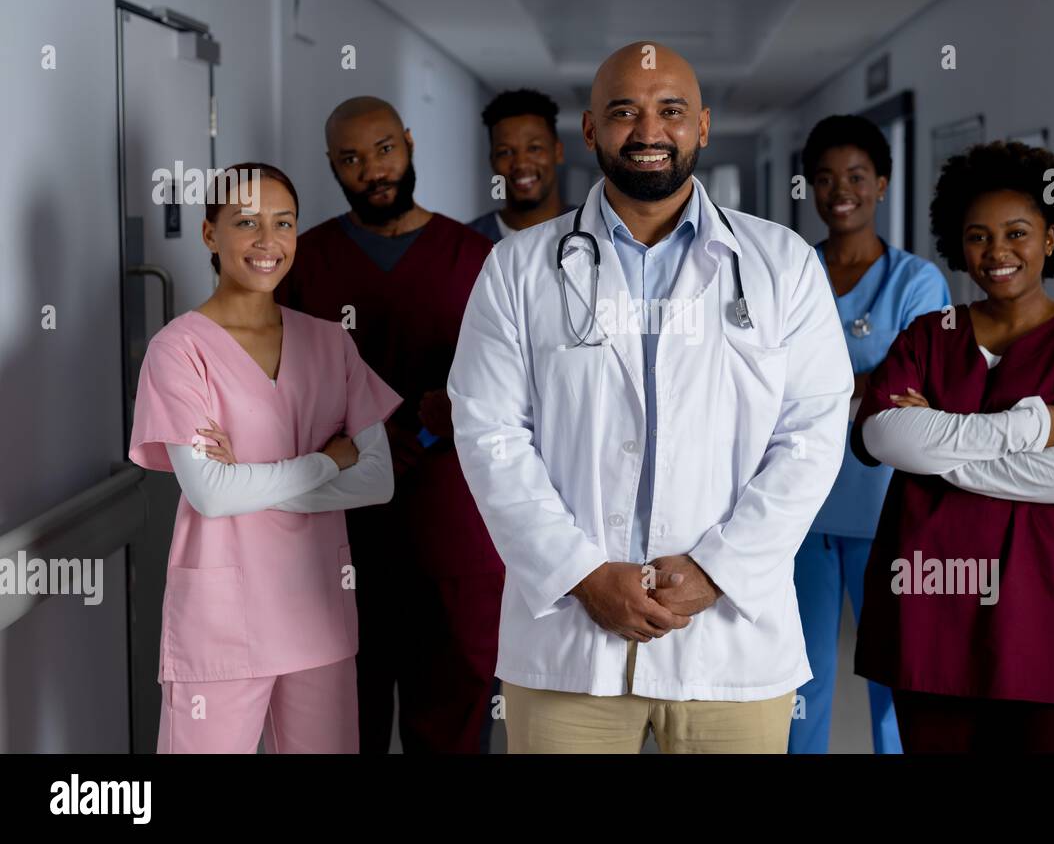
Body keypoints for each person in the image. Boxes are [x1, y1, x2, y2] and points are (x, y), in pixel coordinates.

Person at [448, 41, 853, 753]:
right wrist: (580, 574)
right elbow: (490, 434)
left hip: (728, 642)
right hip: (570, 643)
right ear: (590, 130)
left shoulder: (782, 264)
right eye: (623, 111)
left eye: (670, 110)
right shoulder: (516, 268)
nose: (648, 131)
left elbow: (812, 436)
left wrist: (718, 570)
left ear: (703, 126)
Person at [851, 141, 1054, 753]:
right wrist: (1028, 427)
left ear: (1050, 238)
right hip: (936, 609)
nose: (997, 252)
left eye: (1017, 233)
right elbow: (883, 433)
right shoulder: (930, 335)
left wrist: (941, 452)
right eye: (978, 237)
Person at [128, 163, 402, 753]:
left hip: (317, 611)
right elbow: (210, 495)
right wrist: (326, 462)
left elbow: (378, 480)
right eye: (246, 222)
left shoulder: (330, 343)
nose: (268, 241)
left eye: (284, 223)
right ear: (210, 234)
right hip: (222, 623)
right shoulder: (178, 350)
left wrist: (246, 481)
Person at [274, 97, 503, 754]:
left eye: (383, 150)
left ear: (407, 143)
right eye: (351, 159)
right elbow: (276, 391)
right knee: (345, 721)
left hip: (453, 530)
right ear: (331, 165)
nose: (372, 169)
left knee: (451, 720)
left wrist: (464, 411)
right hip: (342, 533)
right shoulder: (306, 261)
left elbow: (521, 386)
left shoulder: (475, 256)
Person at [788, 115, 950, 755]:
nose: (841, 191)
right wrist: (865, 383)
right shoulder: (790, 269)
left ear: (881, 184)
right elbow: (761, 375)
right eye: (825, 179)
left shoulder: (916, 282)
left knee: (894, 675)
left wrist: (816, 385)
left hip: (887, 509)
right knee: (801, 674)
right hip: (797, 507)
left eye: (856, 176)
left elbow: (915, 386)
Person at [467, 89, 574, 242]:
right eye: (505, 152)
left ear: (558, 152)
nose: (521, 164)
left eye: (534, 148)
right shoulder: (465, 242)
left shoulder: (594, 229)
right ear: (492, 161)